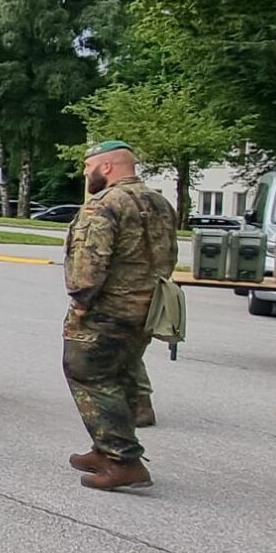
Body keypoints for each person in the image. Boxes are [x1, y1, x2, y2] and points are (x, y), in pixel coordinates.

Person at [62, 141, 177, 492]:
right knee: (121, 374)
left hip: (107, 310)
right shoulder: (159, 202)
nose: (85, 172)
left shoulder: (103, 205)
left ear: (107, 167)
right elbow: (168, 256)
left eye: (88, 166)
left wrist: (81, 303)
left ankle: (123, 458)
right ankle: (104, 448)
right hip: (145, 309)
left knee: (86, 372)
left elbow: (89, 263)